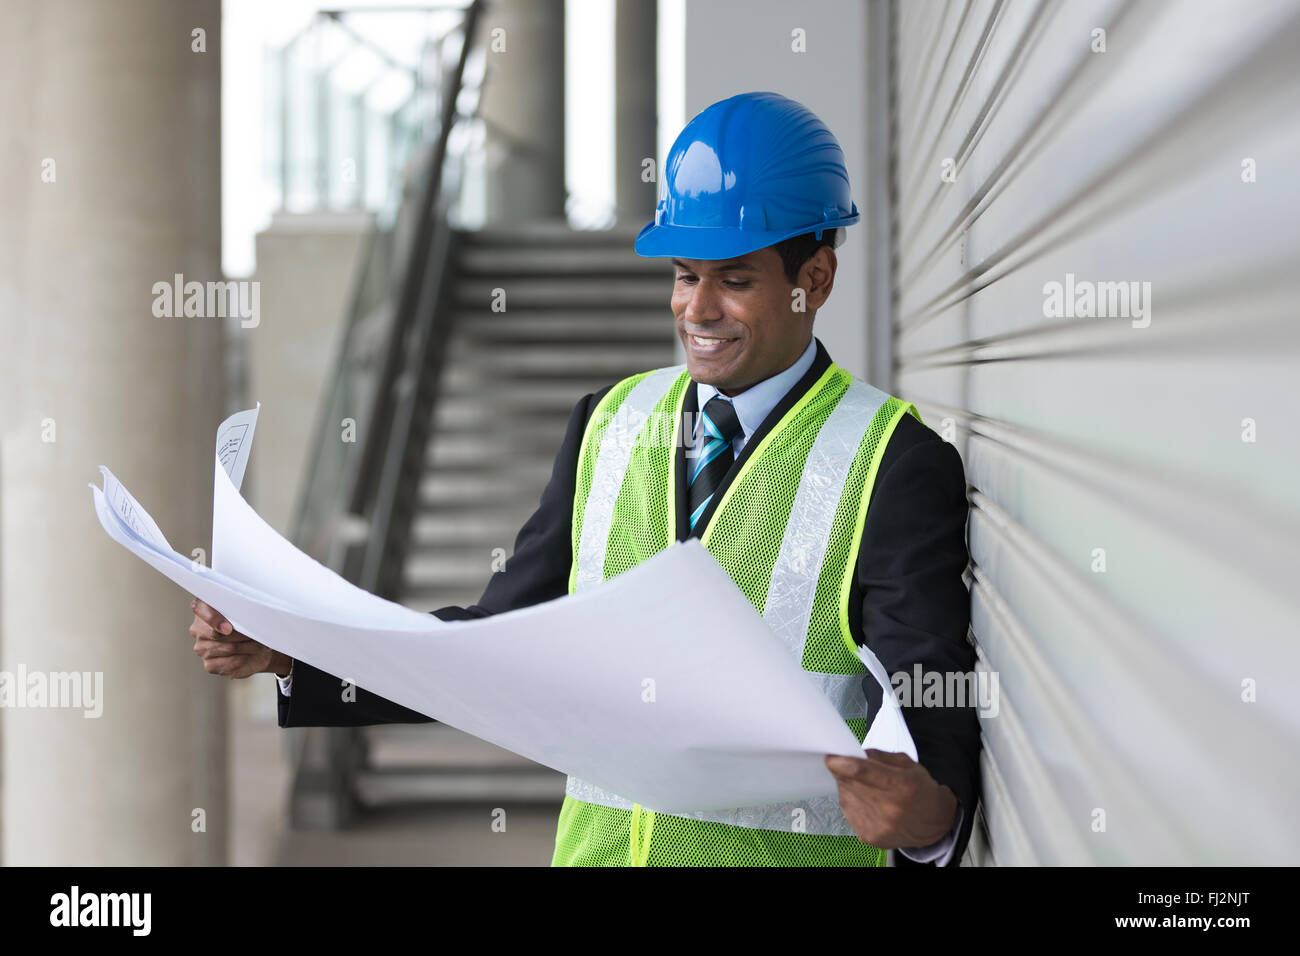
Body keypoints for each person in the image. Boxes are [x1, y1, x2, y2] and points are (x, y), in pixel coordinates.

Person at [189, 91, 981, 867]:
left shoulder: (894, 463)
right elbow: (487, 651)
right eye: (682, 274)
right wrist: (292, 654)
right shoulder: (610, 423)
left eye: (733, 280)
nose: (697, 309)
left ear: (816, 276)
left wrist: (928, 818)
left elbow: (928, 710)